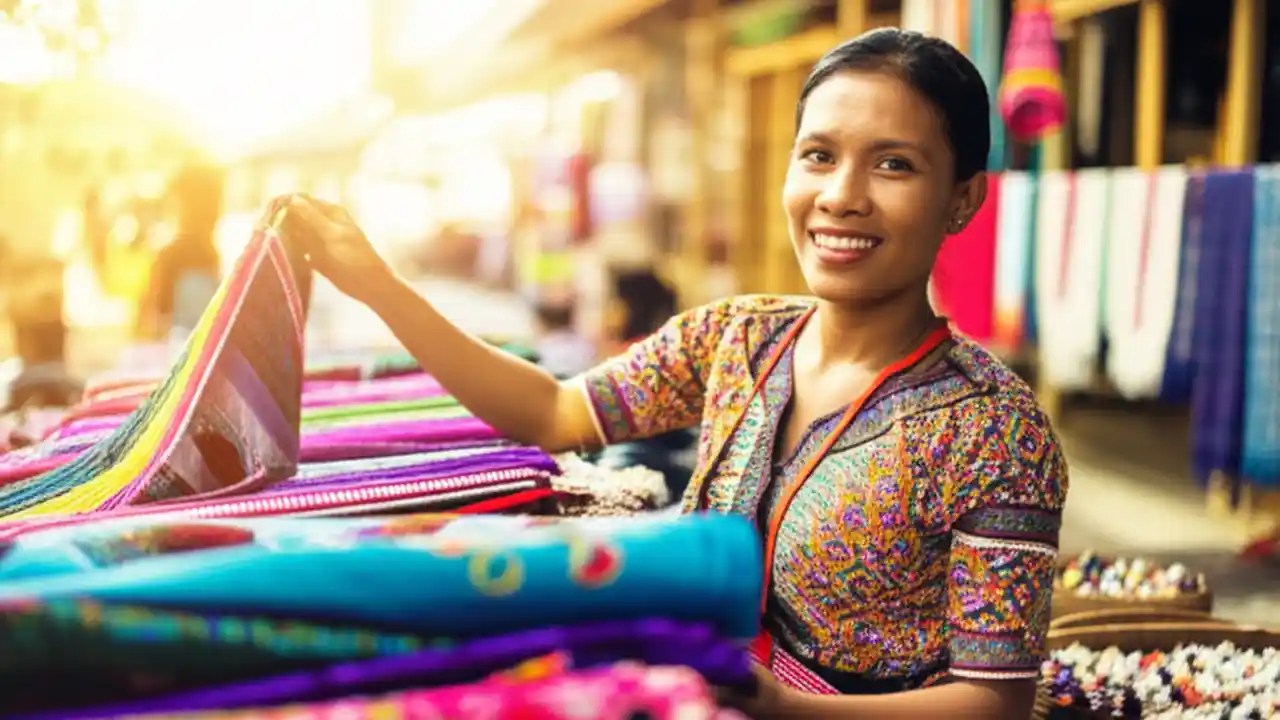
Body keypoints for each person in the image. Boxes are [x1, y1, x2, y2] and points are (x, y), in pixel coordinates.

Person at [275, 28, 1066, 720]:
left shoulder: (994, 430)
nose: (841, 197)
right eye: (818, 156)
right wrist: (378, 287)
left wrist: (788, 709)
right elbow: (551, 414)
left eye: (892, 165)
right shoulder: (738, 338)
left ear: (962, 200)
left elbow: (992, 699)